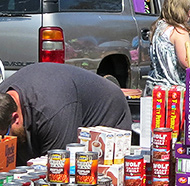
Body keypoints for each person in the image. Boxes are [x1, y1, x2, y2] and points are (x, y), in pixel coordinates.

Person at [0, 63, 132, 165]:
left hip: (106, 111)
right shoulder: (3, 95)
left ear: (15, 118)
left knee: (74, 175)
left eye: (4, 136)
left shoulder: (53, 113)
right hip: (57, 99)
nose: (3, 141)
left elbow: (58, 169)